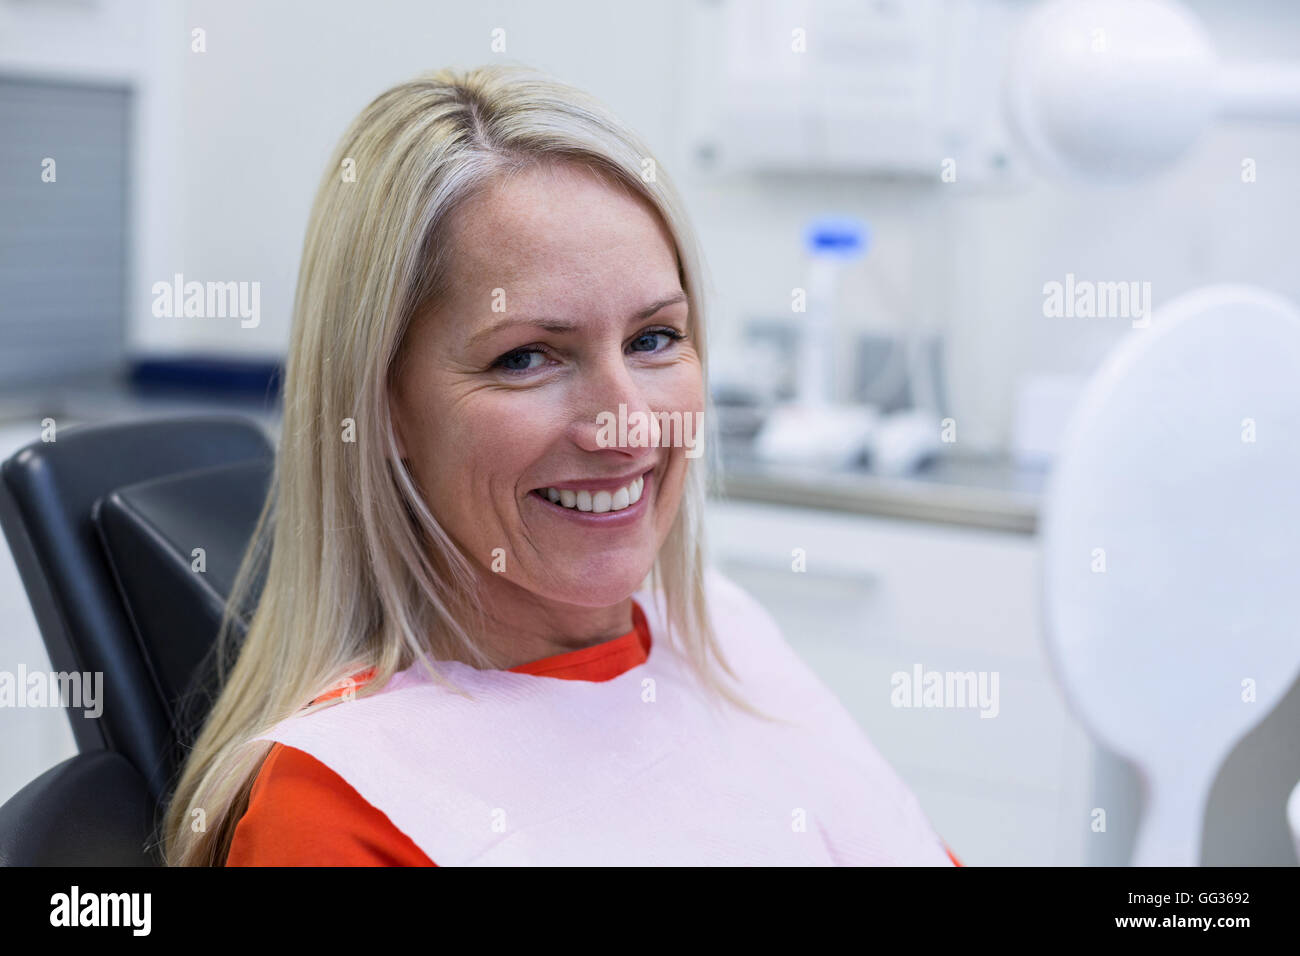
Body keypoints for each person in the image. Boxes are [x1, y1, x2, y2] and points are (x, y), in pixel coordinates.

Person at [161, 64, 961, 867]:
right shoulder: (338, 812)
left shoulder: (724, 633)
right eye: (527, 358)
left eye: (653, 339)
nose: (627, 423)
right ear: (382, 408)